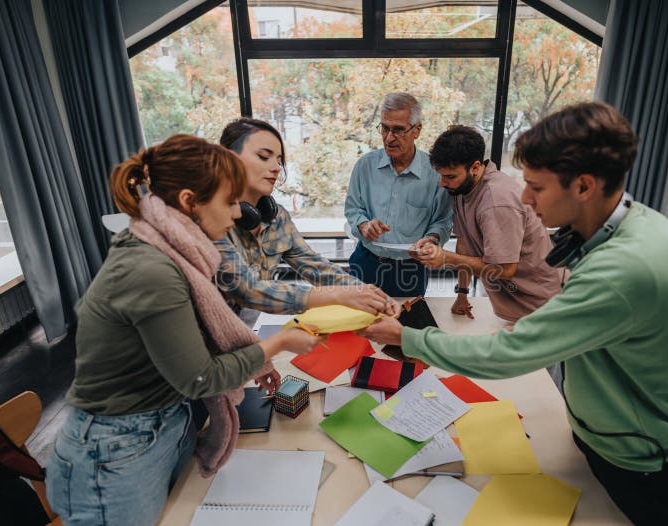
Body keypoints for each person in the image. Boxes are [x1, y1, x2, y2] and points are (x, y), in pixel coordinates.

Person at [361, 102, 668, 525]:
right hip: (608, 431)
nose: (524, 198)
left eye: (536, 187)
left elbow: (509, 354)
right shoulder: (638, 222)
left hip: (637, 457)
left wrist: (405, 337)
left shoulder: (620, 272)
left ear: (583, 185)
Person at [46, 135, 321, 526]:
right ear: (190, 201)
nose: (236, 215)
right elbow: (200, 378)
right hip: (115, 451)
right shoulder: (151, 269)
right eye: (228, 202)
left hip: (162, 424)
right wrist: (276, 344)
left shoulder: (174, 250)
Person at [216, 118, 399, 316]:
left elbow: (317, 267)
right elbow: (246, 289)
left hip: (248, 326)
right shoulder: (210, 218)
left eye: (279, 160)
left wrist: (366, 293)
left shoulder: (278, 218)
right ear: (229, 158)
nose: (277, 168)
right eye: (263, 156)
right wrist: (334, 297)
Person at [416, 125, 563, 323]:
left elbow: (504, 269)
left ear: (475, 167)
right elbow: (465, 246)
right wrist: (462, 293)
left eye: (450, 176)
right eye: (440, 175)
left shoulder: (496, 201)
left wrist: (445, 258)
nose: (442, 183)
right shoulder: (462, 189)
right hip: (513, 307)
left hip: (540, 308)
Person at [344, 92, 453, 297]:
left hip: (411, 269)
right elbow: (352, 208)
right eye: (384, 128)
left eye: (398, 130)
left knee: (407, 325)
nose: (389, 137)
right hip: (366, 262)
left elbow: (442, 221)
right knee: (360, 325)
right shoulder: (365, 166)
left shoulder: (435, 174)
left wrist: (431, 238)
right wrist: (363, 225)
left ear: (417, 130)